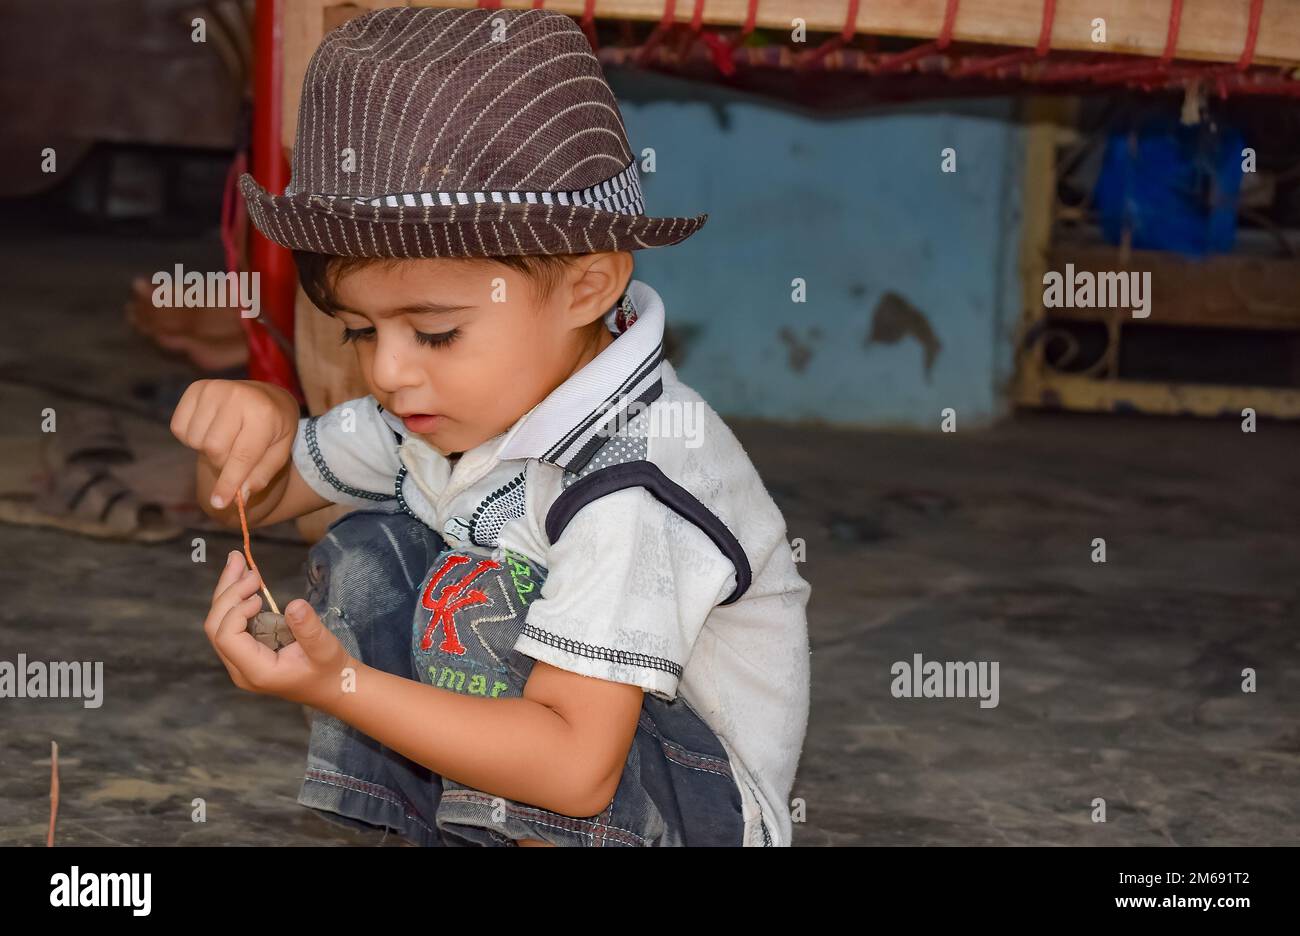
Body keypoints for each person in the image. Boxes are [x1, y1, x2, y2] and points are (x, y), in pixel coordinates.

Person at [171, 6, 810, 847]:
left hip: (673, 809)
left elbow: (578, 772)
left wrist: (339, 687)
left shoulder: (633, 482)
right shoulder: (441, 410)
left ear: (588, 287)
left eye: (435, 331)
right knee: (376, 550)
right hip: (557, 762)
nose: (391, 371)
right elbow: (248, 495)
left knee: (464, 596)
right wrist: (258, 416)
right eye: (363, 333)